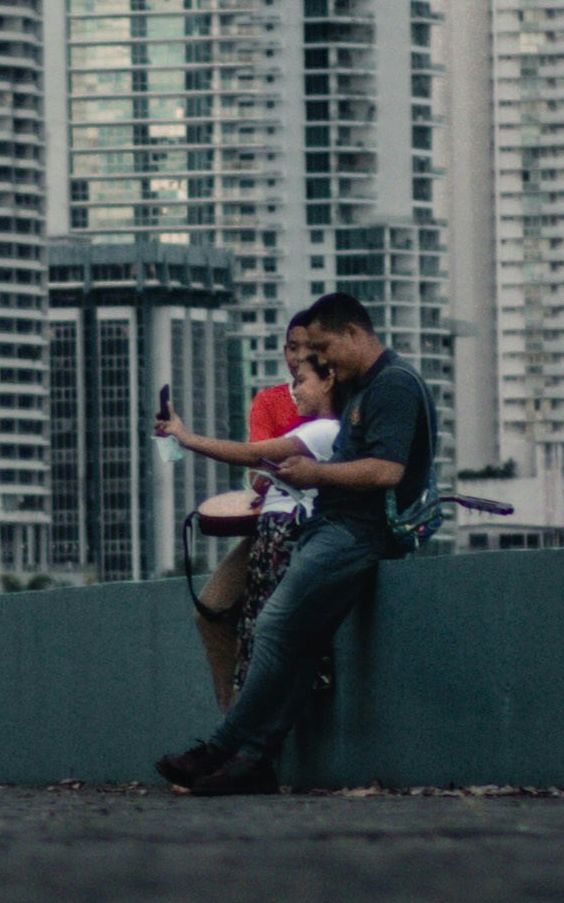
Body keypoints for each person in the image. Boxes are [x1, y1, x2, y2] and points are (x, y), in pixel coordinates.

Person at [157, 292, 434, 798]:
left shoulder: (393, 385)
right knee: (298, 646)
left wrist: (315, 474)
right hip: (332, 525)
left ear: (353, 334)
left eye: (324, 348)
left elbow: (387, 471)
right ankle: (254, 762)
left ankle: (222, 748)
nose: (320, 360)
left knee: (276, 625)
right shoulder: (363, 386)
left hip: (355, 532)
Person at [169, 315, 336, 715]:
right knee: (212, 611)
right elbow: (255, 467)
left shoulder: (333, 421)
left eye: (308, 352)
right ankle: (231, 724)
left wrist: (187, 437)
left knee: (271, 636)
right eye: (292, 349)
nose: (298, 361)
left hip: (303, 533)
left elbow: (255, 456)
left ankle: (244, 738)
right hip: (268, 529)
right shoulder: (272, 401)